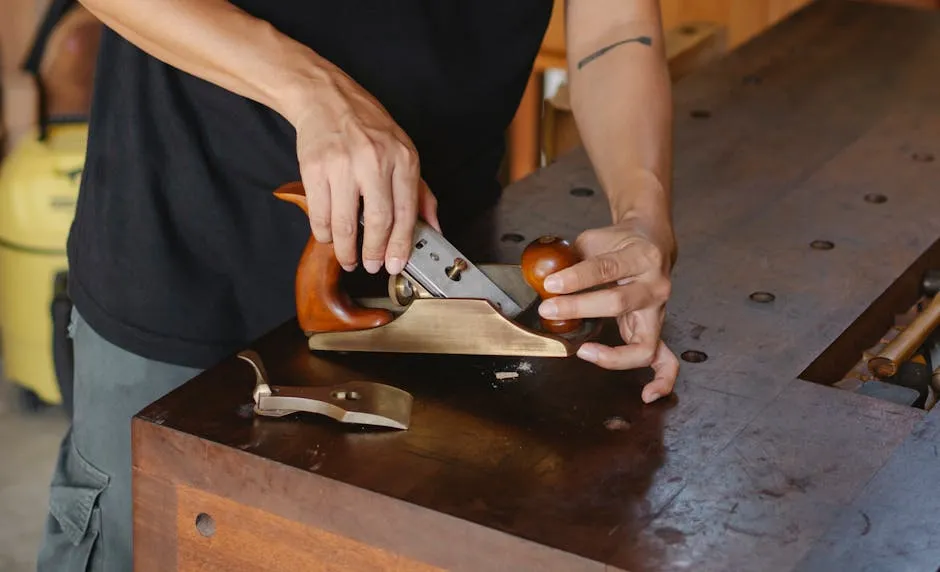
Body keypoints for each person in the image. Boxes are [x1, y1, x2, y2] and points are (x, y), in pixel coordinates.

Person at [37, 0, 678, 569]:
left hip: (438, 272)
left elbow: (617, 24)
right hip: (188, 251)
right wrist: (318, 94)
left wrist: (641, 214)